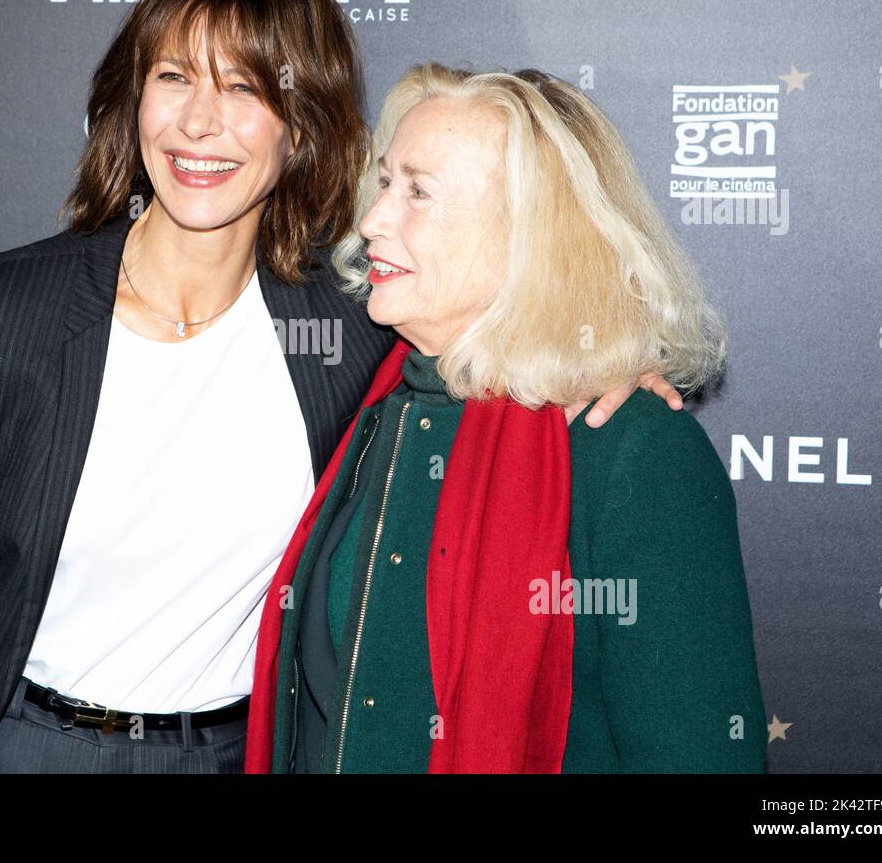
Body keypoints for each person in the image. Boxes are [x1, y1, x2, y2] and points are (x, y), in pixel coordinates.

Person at [0, 0, 681, 775]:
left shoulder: (356, 330)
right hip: (17, 745)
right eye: (173, 78)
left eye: (242, 88)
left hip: (229, 755)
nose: (198, 122)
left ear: (300, 128)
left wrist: (606, 367)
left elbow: (497, 332)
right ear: (134, 101)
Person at [245, 63, 767, 773]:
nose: (372, 221)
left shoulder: (629, 448)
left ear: (530, 237)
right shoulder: (375, 396)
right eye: (387, 181)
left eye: (419, 193)